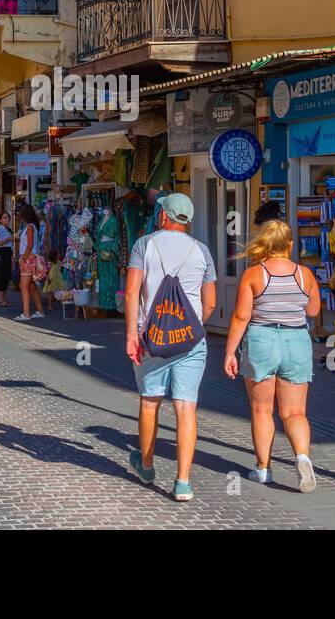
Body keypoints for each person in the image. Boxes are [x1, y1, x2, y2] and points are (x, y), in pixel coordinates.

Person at [125, 193, 216, 502]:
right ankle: (183, 482)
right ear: (186, 220)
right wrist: (192, 326)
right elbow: (211, 301)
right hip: (191, 341)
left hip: (151, 340)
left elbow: (131, 292)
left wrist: (131, 335)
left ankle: (147, 466)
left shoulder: (144, 245)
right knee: (186, 406)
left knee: (150, 402)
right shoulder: (201, 250)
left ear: (164, 215)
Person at [223, 219, 322, 492]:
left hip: (262, 341)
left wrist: (230, 351)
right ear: (290, 245)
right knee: (294, 412)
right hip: (296, 343)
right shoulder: (305, 275)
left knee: (262, 410)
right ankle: (302, 456)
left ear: (264, 244)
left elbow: (242, 316)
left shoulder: (255, 275)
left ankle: (263, 469)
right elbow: (313, 311)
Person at [14, 204, 45, 322]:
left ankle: (26, 313)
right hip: (29, 257)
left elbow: (30, 245)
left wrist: (23, 259)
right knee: (30, 285)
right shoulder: (31, 226)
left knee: (24, 285)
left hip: (28, 258)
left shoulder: (30, 228)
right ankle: (40, 310)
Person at [0, 211, 14, 307]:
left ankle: (4, 299)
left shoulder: (8, 229)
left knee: (6, 276)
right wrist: (8, 239)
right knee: (1, 275)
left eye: (8, 217)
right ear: (0, 220)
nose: (7, 219)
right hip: (2, 252)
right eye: (5, 217)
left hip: (8, 252)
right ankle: (0, 300)